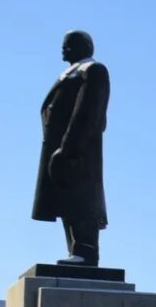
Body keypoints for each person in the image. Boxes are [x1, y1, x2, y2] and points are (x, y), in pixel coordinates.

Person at [33, 29, 110, 268]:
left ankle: (86, 250)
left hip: (79, 151)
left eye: (70, 44)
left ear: (85, 46)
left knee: (82, 199)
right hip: (62, 149)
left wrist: (69, 147)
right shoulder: (70, 73)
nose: (64, 49)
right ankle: (75, 249)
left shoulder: (93, 71)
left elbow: (87, 113)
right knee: (66, 200)